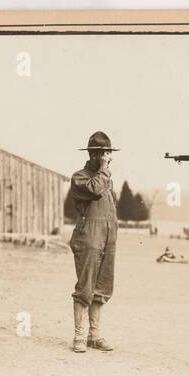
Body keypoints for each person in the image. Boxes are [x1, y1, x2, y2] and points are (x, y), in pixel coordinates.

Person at [67, 131, 118, 353]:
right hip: (88, 236)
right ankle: (79, 336)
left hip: (108, 237)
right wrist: (104, 169)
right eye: (104, 153)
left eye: (109, 153)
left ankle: (94, 335)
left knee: (102, 286)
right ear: (94, 154)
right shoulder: (80, 177)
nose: (108, 157)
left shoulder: (106, 177)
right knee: (85, 287)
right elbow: (94, 190)